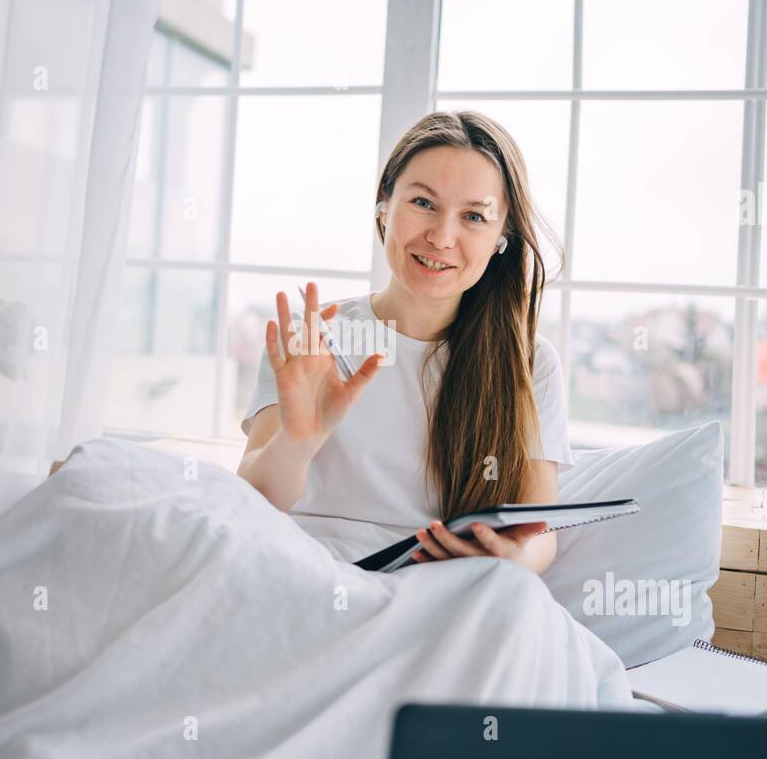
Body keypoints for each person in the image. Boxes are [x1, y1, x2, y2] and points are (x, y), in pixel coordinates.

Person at [237, 109, 572, 571]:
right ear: (385, 205)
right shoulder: (314, 337)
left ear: (502, 236)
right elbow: (252, 502)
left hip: (437, 583)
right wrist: (297, 441)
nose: (442, 237)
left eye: (474, 216)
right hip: (305, 571)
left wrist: (510, 556)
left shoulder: (530, 363)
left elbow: (538, 533)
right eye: (423, 203)